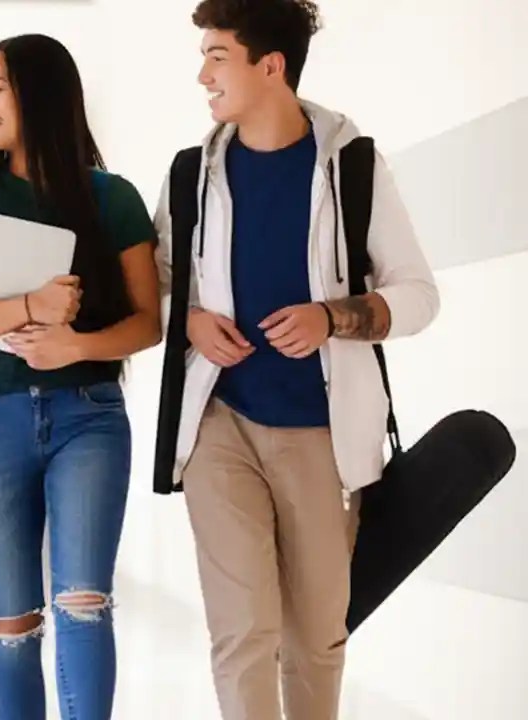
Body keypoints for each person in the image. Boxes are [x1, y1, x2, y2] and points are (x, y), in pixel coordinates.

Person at [152, 2, 440, 718]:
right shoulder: (192, 174)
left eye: (217, 56)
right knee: (243, 631)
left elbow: (419, 295)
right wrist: (189, 319)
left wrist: (332, 318)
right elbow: (156, 284)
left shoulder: (353, 167)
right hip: (220, 425)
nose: (202, 76)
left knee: (316, 640)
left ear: (271, 66)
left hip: (321, 435)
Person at [0, 33, 162, 720]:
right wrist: (30, 305)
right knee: (12, 625)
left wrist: (75, 345)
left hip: (88, 416)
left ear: (42, 95)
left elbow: (148, 323)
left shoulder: (113, 198)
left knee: (85, 604)